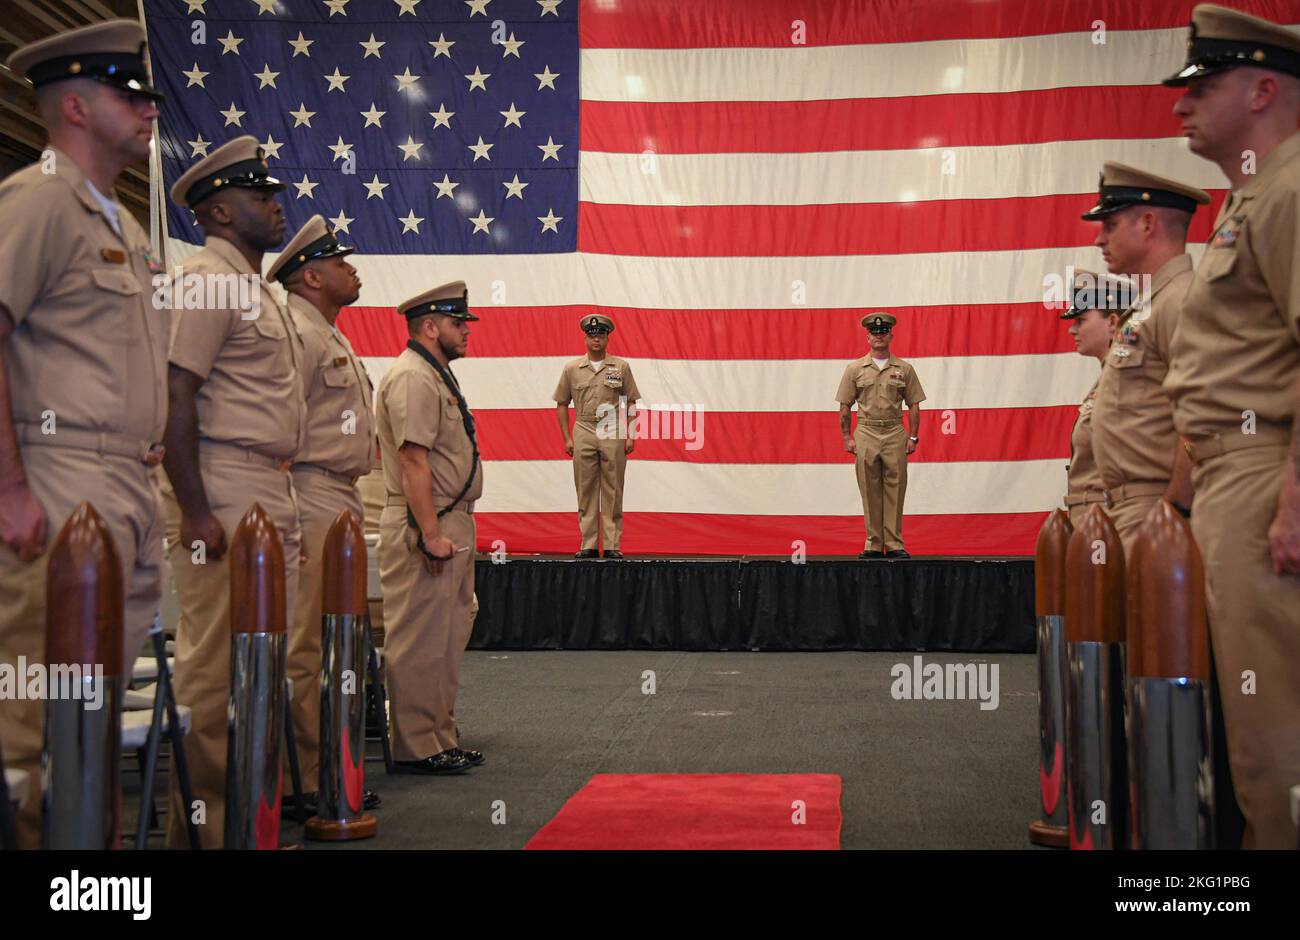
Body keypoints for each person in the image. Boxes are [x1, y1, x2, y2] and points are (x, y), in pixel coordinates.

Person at [0, 18, 167, 848]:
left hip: (125, 482)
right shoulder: (39, 199)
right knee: (30, 722)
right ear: (72, 105)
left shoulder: (124, 227)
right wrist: (8, 488)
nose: (149, 110)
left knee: (91, 716)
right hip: (58, 475)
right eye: (129, 94)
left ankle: (86, 878)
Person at [1161, 2, 1300, 849]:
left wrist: (1292, 499)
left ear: (1260, 90)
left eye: (1201, 87)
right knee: (1256, 737)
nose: (1181, 106)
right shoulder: (1255, 197)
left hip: (1262, 476)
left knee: (1274, 742)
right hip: (1231, 477)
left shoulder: (1288, 191)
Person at [161, 134, 305, 847]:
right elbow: (173, 393)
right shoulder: (207, 282)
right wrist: (193, 507)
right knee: (214, 670)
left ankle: (252, 824)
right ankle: (204, 835)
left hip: (264, 482)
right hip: (221, 481)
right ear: (218, 211)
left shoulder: (254, 288)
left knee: (259, 670)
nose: (276, 206)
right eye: (260, 195)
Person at [266, 214, 378, 815]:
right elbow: (281, 425)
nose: (352, 269)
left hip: (339, 493)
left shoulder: (329, 333)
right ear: (310, 276)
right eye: (340, 262)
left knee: (339, 643)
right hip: (306, 490)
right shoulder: (296, 331)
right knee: (305, 643)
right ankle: (299, 780)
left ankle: (329, 769)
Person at [376, 282, 484, 775]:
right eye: (457, 323)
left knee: (446, 633)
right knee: (420, 637)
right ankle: (417, 745)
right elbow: (413, 459)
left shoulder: (434, 376)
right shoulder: (414, 377)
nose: (465, 331)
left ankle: (439, 734)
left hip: (449, 517)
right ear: (429, 326)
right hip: (429, 520)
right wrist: (429, 533)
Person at [1082, 163, 1210, 554]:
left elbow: (1201, 416)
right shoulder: (1152, 306)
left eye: (1110, 225)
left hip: (1157, 508)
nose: (1100, 239)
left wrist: (1175, 510)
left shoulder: (1182, 300)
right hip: (1132, 509)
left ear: (1148, 223)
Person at [836, 313, 925, 558]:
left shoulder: (905, 369)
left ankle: (894, 543)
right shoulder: (854, 369)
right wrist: (847, 437)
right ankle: (874, 543)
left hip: (895, 431)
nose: (879, 335)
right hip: (866, 430)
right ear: (868, 337)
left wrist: (913, 436)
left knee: (896, 488)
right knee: (869, 487)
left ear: (891, 335)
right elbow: (845, 405)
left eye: (883, 332)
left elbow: (914, 404)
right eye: (875, 333)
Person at [553, 314, 641, 559]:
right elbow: (561, 403)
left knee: (613, 487)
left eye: (600, 335)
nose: (596, 339)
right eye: (592, 335)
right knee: (585, 487)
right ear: (585, 338)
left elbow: (630, 401)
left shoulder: (620, 367)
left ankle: (612, 544)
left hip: (612, 427)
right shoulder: (572, 368)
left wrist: (631, 434)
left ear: (607, 338)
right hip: (583, 427)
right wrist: (567, 438)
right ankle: (588, 543)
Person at [1058, 271, 1122, 528]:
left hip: (1111, 520)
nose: (1072, 329)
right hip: (1095, 520)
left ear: (1113, 322)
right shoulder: (1108, 379)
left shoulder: (1126, 380)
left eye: (1081, 320)